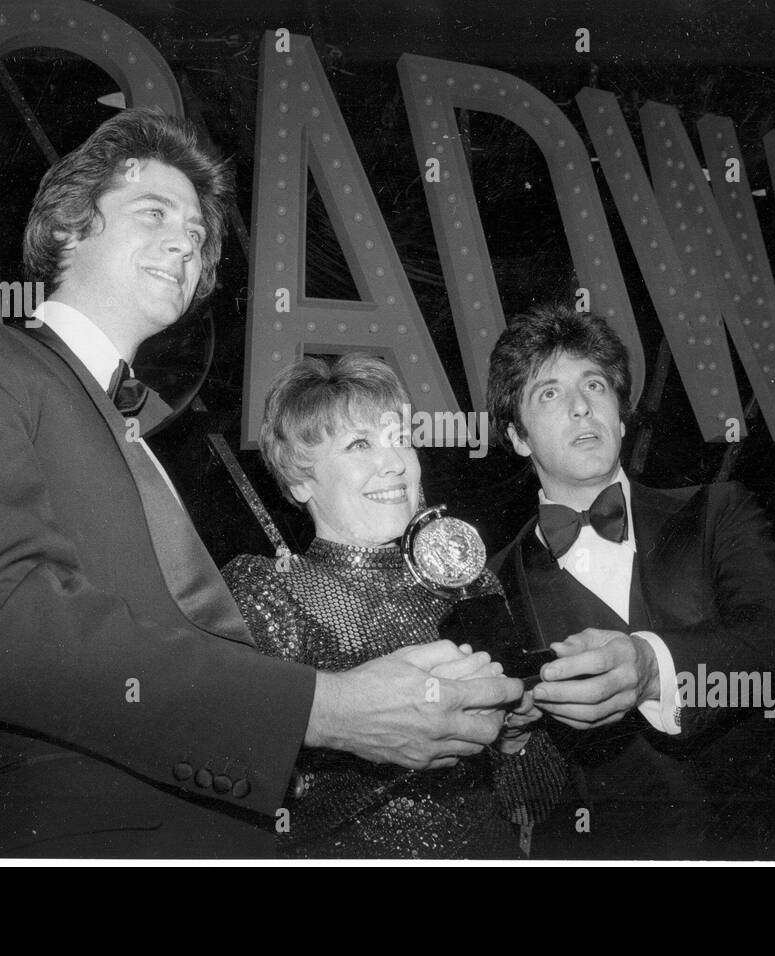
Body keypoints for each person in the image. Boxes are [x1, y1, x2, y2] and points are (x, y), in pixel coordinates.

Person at [0, 107, 522, 858]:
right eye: (153, 212)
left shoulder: (131, 429)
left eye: (199, 236)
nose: (185, 242)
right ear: (72, 223)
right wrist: (320, 710)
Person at [485, 303, 775, 859]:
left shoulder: (718, 510)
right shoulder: (494, 585)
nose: (581, 407)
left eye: (595, 385)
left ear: (621, 417)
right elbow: (526, 798)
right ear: (518, 437)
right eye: (549, 393)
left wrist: (652, 668)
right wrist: (514, 740)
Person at [223, 354, 567, 858]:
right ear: (299, 480)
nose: (394, 461)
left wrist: (515, 739)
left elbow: (530, 806)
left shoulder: (473, 586)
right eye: (360, 444)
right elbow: (242, 796)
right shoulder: (270, 591)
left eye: (399, 438)